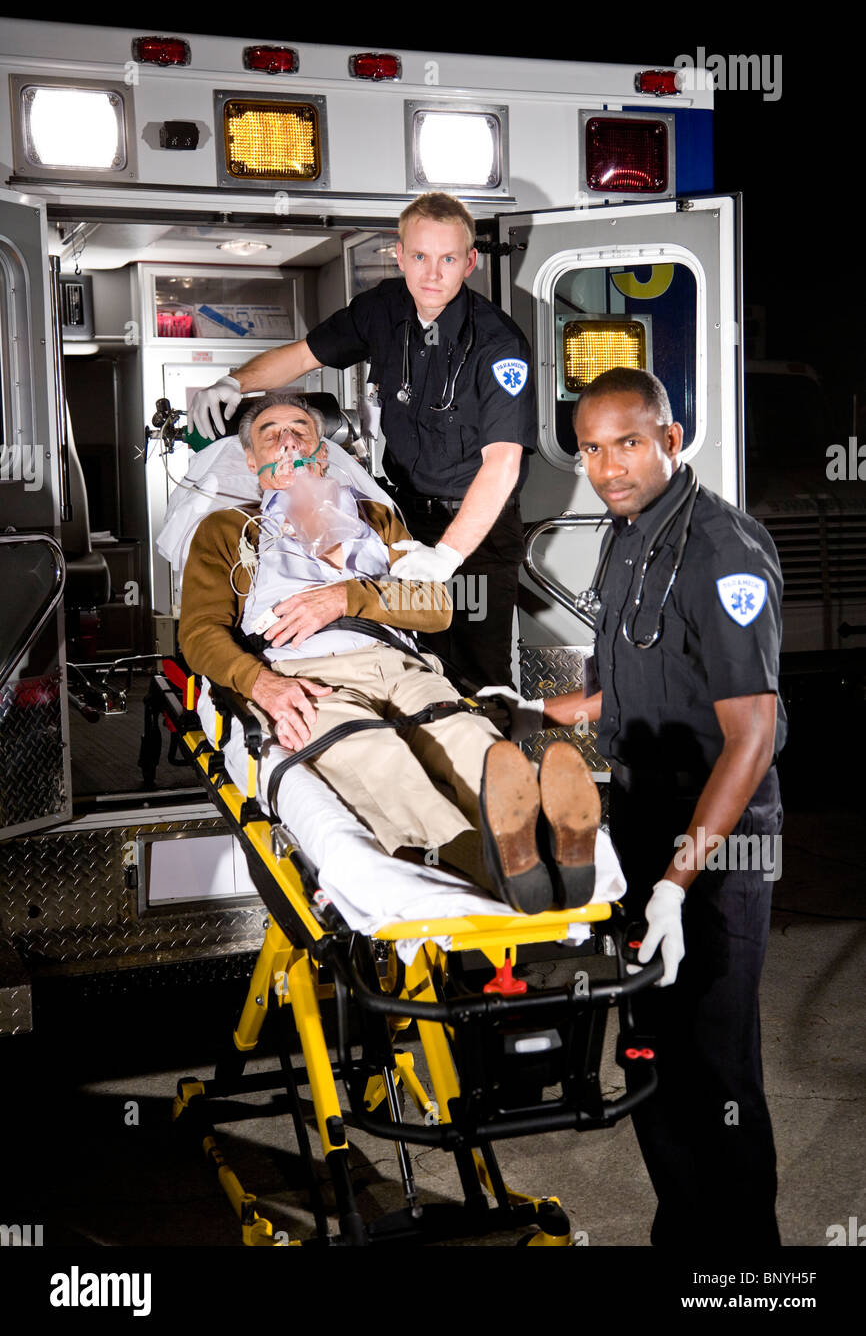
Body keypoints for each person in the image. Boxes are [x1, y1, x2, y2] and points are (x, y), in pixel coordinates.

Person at [482, 367, 786, 1246]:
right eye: (589, 449)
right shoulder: (624, 537)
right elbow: (642, 687)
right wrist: (540, 713)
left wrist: (677, 885)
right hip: (640, 827)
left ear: (670, 439)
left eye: (626, 442)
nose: (607, 465)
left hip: (716, 850)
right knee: (648, 1052)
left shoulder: (724, 551)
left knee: (717, 1067)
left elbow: (751, 736)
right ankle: (681, 1239)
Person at [178, 393, 597, 916]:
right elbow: (197, 633)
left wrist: (349, 596)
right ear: (251, 462)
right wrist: (263, 684)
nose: (287, 440)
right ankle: (494, 863)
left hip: (399, 665)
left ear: (323, 452)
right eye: (271, 434)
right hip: (305, 674)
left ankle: (540, 839)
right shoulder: (226, 531)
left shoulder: (375, 518)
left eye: (300, 431)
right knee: (379, 756)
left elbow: (436, 606)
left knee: (465, 736)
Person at [188, 193, 537, 689]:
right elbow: (305, 355)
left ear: (471, 261)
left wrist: (449, 555)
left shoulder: (498, 345)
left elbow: (502, 465)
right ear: (398, 254)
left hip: (474, 528)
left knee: (477, 672)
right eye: (419, 256)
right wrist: (234, 382)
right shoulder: (382, 310)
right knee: (414, 653)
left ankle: (482, 755)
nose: (432, 273)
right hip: (402, 515)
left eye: (448, 259)